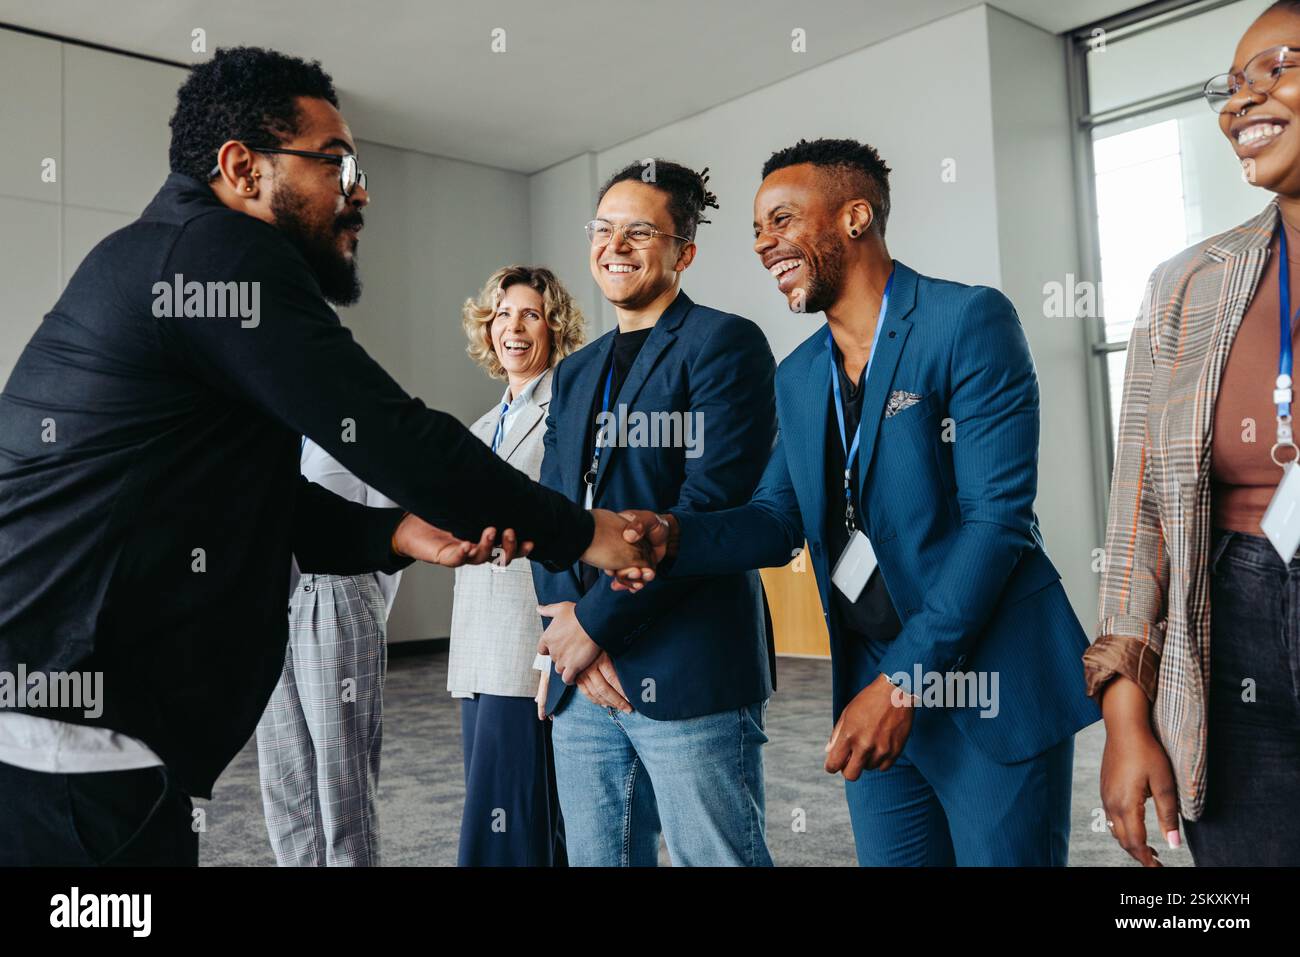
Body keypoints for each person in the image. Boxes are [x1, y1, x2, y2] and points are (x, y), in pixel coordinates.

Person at [0, 46, 651, 867]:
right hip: (69, 746)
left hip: (72, 736)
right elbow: (384, 428)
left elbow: (246, 495)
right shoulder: (218, 255)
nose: (361, 191)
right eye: (336, 164)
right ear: (241, 168)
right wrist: (583, 532)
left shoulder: (172, 256)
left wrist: (392, 535)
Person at [620, 138, 1099, 866]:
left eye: (780, 219)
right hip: (870, 680)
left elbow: (998, 523)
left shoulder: (967, 320)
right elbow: (776, 519)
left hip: (987, 682)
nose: (762, 243)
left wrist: (902, 684)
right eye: (755, 229)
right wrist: (666, 534)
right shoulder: (800, 373)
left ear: (855, 216)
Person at [1086, 1, 1300, 868]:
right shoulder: (1186, 285)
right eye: (1230, 85)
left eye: (1275, 69)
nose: (1239, 103)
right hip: (1232, 624)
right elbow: (1137, 511)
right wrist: (1123, 707)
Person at [533, 160, 778, 867]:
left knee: (719, 857)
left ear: (684, 251)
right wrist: (564, 628)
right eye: (603, 229)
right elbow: (550, 508)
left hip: (687, 660)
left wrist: (593, 626)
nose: (615, 244)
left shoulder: (724, 343)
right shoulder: (576, 370)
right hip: (582, 678)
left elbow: (707, 509)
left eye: (639, 231)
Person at [450, 266, 585, 866]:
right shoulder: (482, 426)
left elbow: (574, 526)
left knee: (519, 817)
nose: (514, 326)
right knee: (493, 802)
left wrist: (552, 649)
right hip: (476, 649)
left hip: (527, 644)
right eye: (503, 314)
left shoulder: (567, 412)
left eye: (531, 314)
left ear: (553, 327)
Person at [256, 437, 403, 866]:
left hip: (335, 594)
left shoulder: (349, 423)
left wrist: (362, 610)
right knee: (283, 776)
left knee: (341, 777)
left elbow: (388, 526)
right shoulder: (266, 425)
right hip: (267, 604)